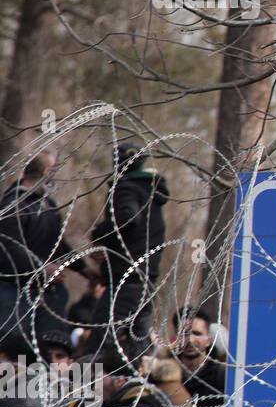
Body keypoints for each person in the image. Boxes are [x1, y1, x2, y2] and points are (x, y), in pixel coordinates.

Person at [0, 153, 95, 360]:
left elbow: (58, 243)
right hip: (17, 291)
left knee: (53, 344)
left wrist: (83, 268)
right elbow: (11, 247)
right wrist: (42, 269)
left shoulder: (48, 204)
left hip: (50, 293)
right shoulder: (13, 204)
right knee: (17, 347)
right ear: (46, 172)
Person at [88, 143, 170, 365]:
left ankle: (82, 396)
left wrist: (99, 234)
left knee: (99, 341)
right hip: (144, 276)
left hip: (127, 278)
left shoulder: (126, 188)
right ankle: (139, 389)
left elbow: (128, 219)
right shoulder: (150, 191)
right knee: (137, 345)